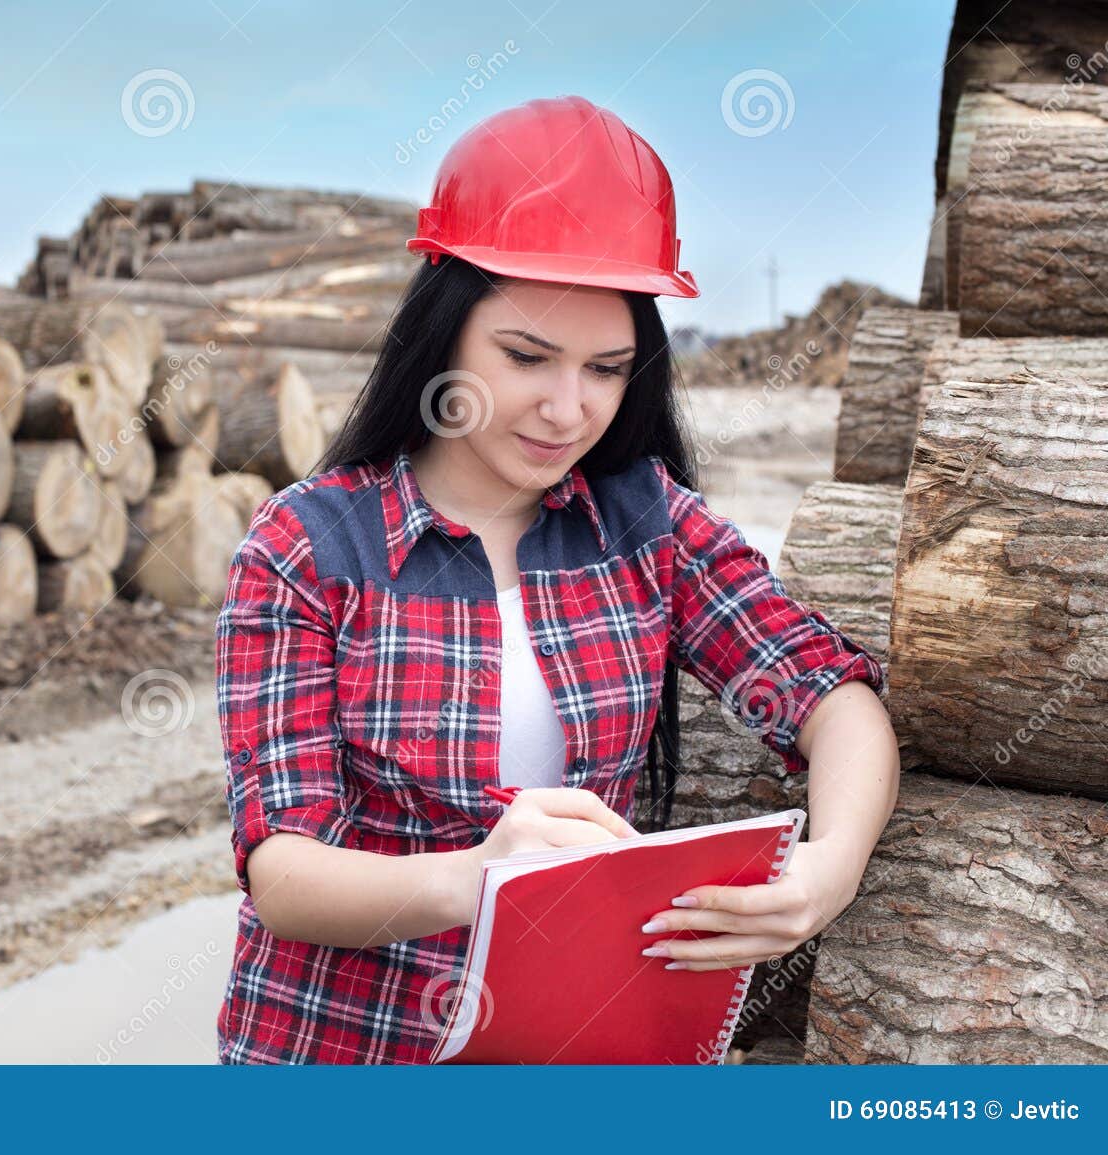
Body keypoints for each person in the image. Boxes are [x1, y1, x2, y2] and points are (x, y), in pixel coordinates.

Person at [213, 94, 899, 1065]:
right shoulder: (307, 547)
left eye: (607, 368)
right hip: (344, 1052)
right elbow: (282, 874)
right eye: (526, 356)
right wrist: (487, 876)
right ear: (443, 332)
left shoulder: (645, 525)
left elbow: (828, 694)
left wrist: (827, 871)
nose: (566, 409)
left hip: (575, 1050)